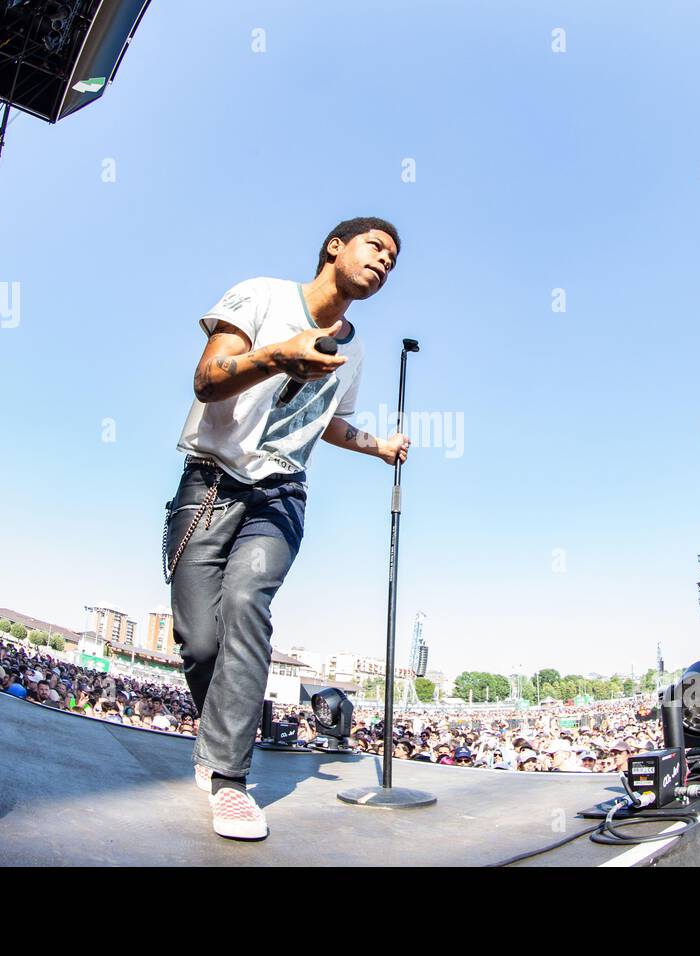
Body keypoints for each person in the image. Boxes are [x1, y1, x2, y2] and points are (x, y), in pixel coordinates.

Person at [167, 217, 409, 841]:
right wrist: (278, 355)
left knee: (249, 599)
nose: (384, 261)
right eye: (375, 246)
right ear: (336, 246)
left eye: (393, 259)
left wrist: (378, 446)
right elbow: (206, 378)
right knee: (198, 640)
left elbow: (327, 421)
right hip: (210, 481)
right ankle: (215, 733)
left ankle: (229, 780)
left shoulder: (354, 349)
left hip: (280, 493)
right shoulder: (262, 296)